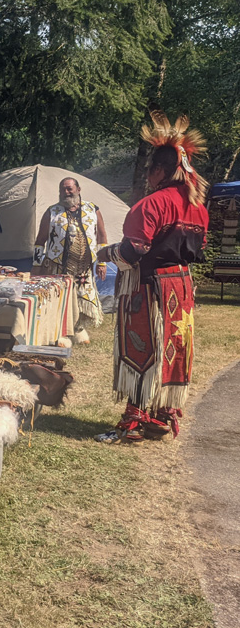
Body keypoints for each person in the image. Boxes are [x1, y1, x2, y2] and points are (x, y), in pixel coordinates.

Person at [95, 109, 209, 443]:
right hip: (181, 288)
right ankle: (163, 414)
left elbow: (134, 252)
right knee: (172, 347)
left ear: (160, 170)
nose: (147, 174)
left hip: (148, 289)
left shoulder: (151, 204)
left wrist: (106, 253)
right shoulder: (198, 206)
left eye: (149, 168)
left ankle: (135, 416)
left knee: (142, 348)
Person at [32, 177, 109, 343]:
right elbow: (40, 241)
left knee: (81, 299)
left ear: (78, 190)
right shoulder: (52, 212)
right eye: (62, 190)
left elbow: (101, 237)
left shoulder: (92, 210)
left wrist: (102, 262)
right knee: (59, 300)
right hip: (57, 266)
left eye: (69, 189)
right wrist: (36, 266)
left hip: (84, 268)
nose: (65, 193)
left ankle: (78, 331)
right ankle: (59, 333)